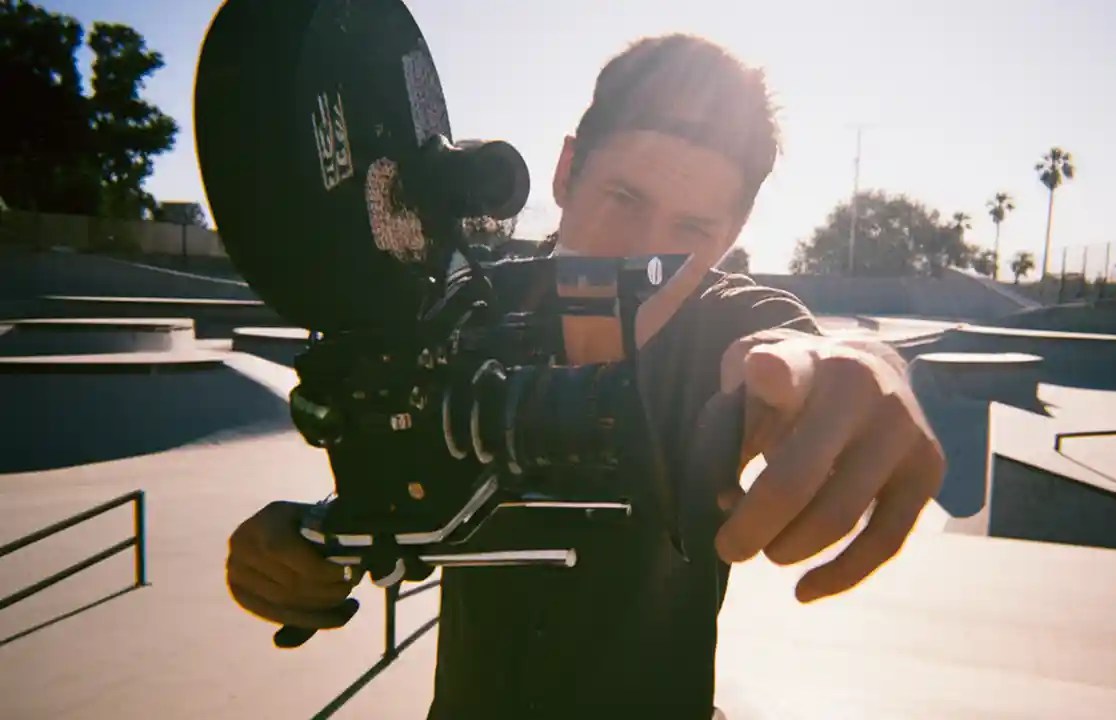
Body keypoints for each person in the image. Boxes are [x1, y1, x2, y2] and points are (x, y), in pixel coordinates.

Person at [226, 33, 944, 719]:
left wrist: (861, 370)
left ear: (727, 238)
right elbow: (396, 457)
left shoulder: (725, 318)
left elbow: (797, 352)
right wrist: (305, 539)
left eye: (692, 230)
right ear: (567, 172)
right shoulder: (463, 303)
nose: (642, 254)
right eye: (625, 199)